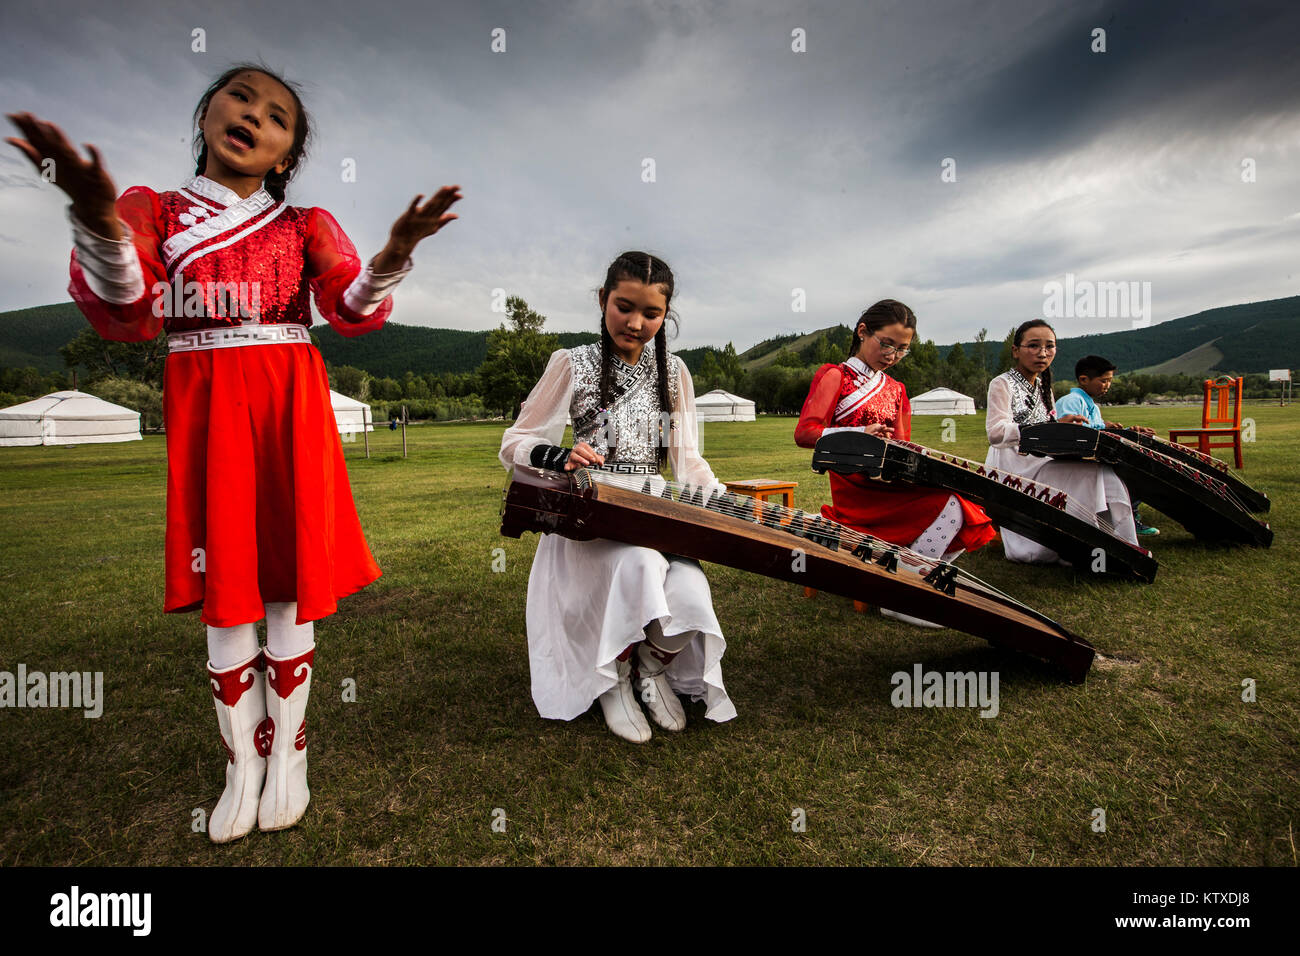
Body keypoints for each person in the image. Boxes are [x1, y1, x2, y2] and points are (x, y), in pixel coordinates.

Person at [6, 64, 462, 842]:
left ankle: (290, 755)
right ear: (208, 114)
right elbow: (130, 308)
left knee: (284, 578)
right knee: (224, 579)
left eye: (278, 115)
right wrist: (94, 217)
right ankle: (240, 764)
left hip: (288, 396)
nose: (255, 114)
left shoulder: (303, 224)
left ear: (285, 155)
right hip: (209, 401)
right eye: (241, 98)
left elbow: (349, 307)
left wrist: (392, 254)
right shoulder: (153, 210)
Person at [499, 251, 736, 744]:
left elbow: (686, 459)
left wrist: (718, 501)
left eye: (651, 313)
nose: (635, 322)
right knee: (641, 568)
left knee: (692, 594)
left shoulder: (675, 373)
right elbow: (514, 442)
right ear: (603, 299)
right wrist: (559, 455)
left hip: (654, 506)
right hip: (594, 512)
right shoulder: (573, 362)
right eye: (623, 306)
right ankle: (613, 681)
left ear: (665, 316)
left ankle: (649, 670)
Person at [794, 300, 996, 625]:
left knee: (967, 504)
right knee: (953, 507)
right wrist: (860, 432)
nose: (892, 355)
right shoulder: (836, 376)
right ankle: (903, 597)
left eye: (902, 349)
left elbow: (902, 445)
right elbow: (805, 432)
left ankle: (910, 583)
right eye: (886, 343)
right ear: (863, 332)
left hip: (889, 485)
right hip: (856, 489)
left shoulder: (897, 389)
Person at [985, 321, 1138, 565]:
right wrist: (1044, 429)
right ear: (1016, 350)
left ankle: (1119, 545)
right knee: (1086, 474)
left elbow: (1048, 422)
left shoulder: (1044, 384)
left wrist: (1062, 424)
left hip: (1041, 457)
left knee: (1103, 473)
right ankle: (1079, 547)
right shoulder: (1002, 383)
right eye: (1033, 346)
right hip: (1014, 462)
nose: (1042, 353)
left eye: (1049, 347)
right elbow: (995, 433)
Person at [1055, 355, 1159, 535]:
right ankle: (1130, 519)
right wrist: (1103, 428)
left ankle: (1129, 516)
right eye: (1103, 381)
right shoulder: (1071, 401)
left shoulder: (1093, 406)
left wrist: (1129, 432)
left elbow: (1100, 432)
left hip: (1095, 456)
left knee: (1140, 469)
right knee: (1133, 473)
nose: (1107, 386)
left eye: (1110, 381)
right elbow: (1070, 431)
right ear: (1083, 379)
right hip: (1080, 460)